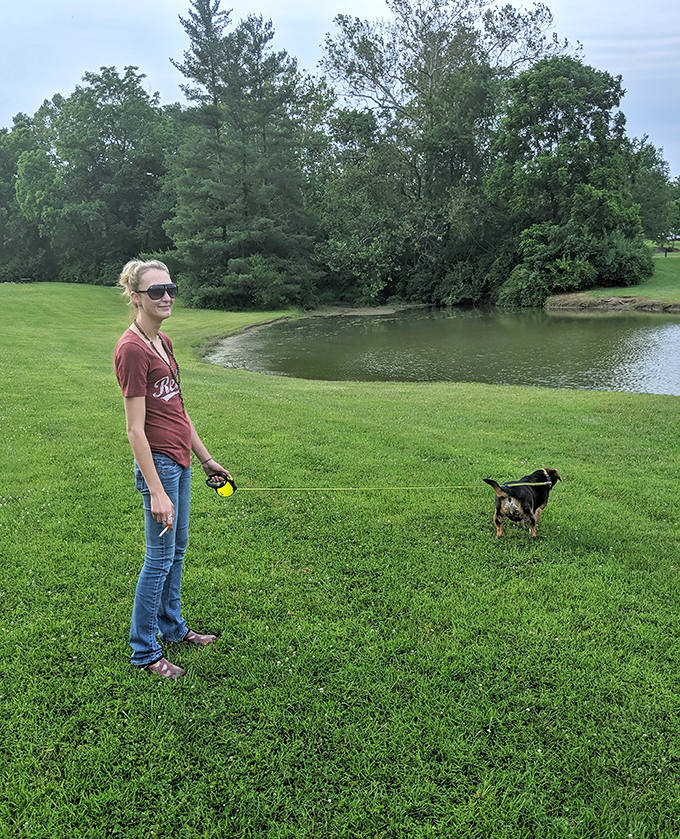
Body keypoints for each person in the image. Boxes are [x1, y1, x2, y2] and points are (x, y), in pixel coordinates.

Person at [114, 259, 230, 679]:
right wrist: (156, 490)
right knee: (158, 559)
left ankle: (173, 627)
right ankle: (144, 652)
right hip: (159, 465)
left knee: (176, 553)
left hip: (180, 460)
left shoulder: (164, 341)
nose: (166, 297)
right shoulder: (131, 349)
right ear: (135, 296)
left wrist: (205, 457)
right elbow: (134, 429)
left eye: (170, 289)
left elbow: (179, 411)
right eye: (155, 291)